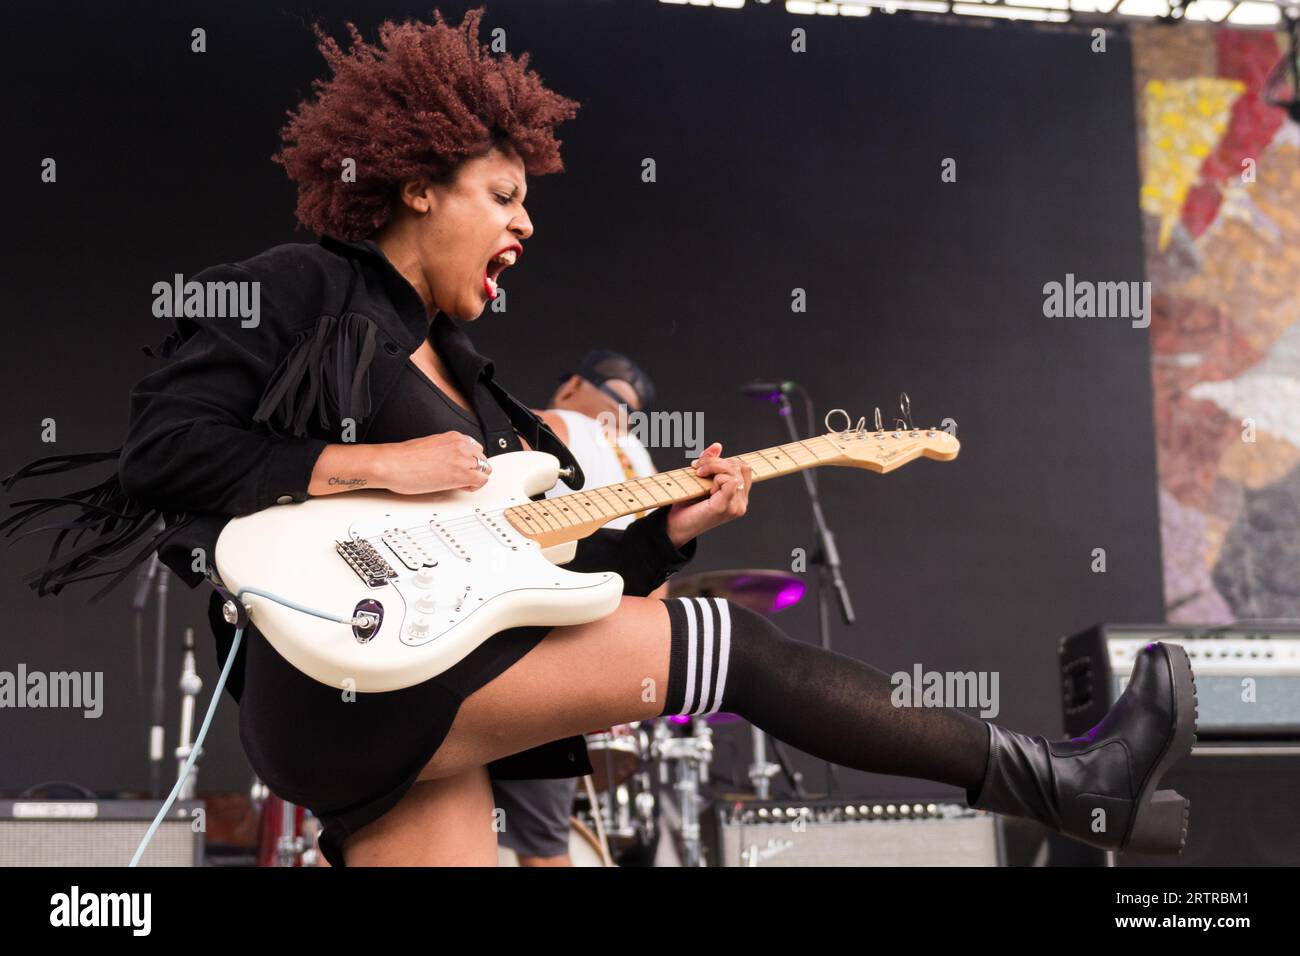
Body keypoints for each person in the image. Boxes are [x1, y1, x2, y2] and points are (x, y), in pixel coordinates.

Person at [2, 8, 1196, 867]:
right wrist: (364, 465)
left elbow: (533, 584)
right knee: (737, 653)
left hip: (420, 694)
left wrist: (659, 540)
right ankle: (1068, 782)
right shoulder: (303, 290)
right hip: (334, 681)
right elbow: (162, 449)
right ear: (418, 184)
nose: (526, 224)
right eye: (504, 195)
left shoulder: (478, 390)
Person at [493, 350, 668, 866]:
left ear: (572, 385)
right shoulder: (642, 460)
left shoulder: (550, 424)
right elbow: (655, 589)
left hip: (510, 647)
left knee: (387, 826)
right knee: (545, 842)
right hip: (585, 664)